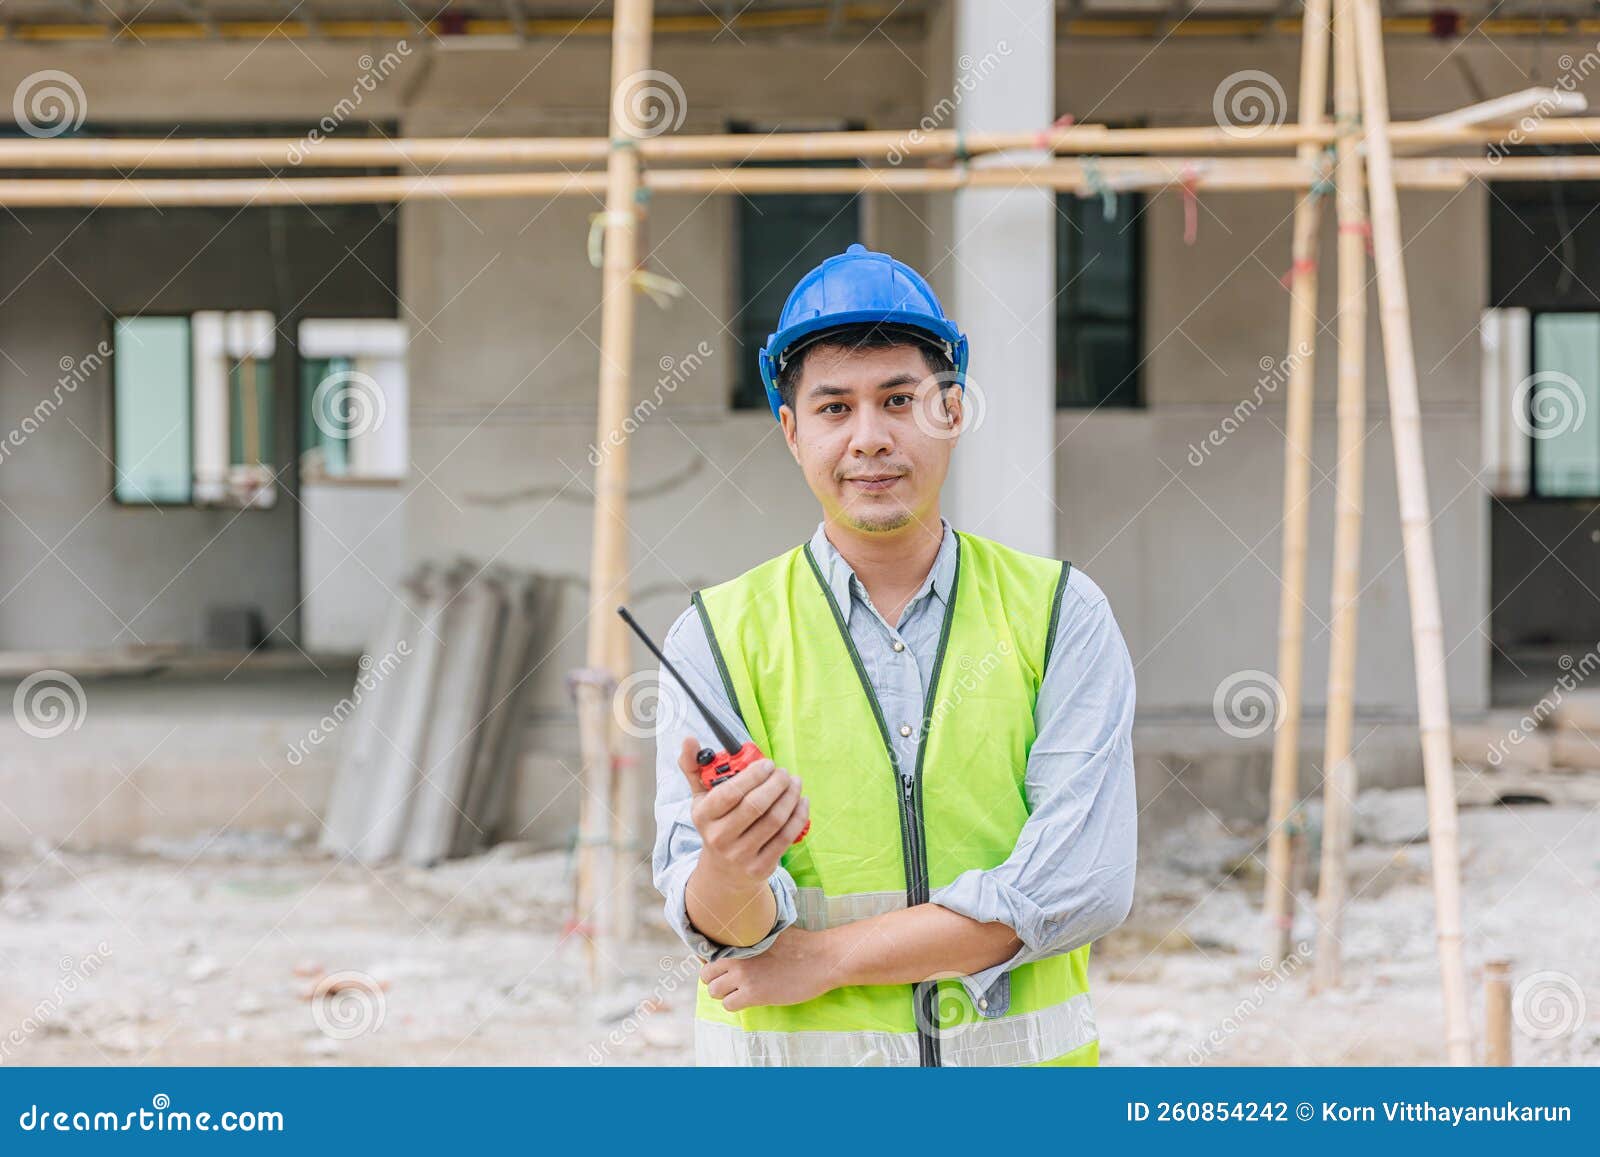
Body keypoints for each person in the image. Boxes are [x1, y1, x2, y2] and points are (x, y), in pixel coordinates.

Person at [650, 243, 1137, 1067]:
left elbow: (1075, 887)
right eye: (835, 408)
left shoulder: (1060, 615)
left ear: (951, 411)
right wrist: (732, 869)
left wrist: (824, 958)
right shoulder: (719, 637)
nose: (870, 438)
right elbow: (725, 928)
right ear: (790, 429)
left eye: (900, 400)